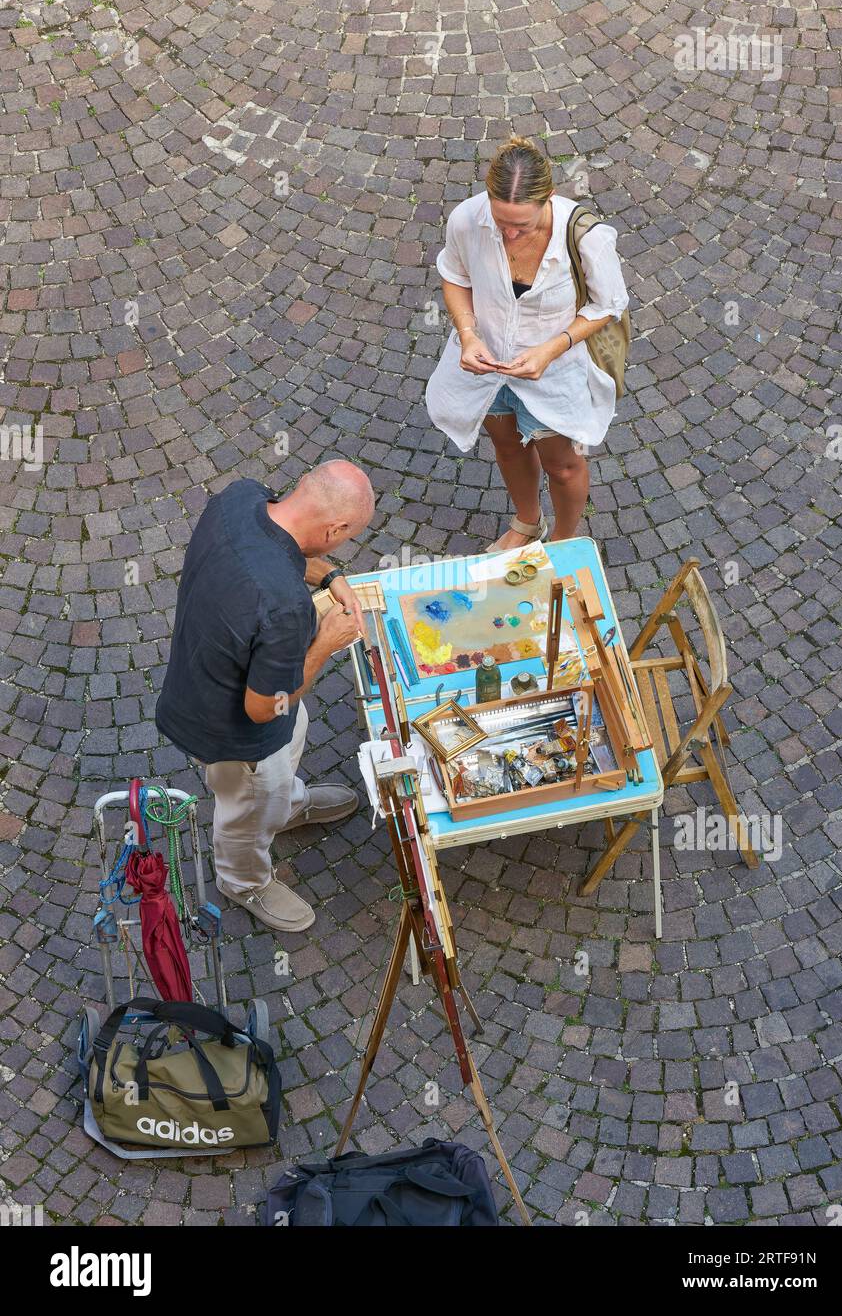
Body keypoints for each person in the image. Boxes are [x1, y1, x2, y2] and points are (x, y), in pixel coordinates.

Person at [155, 461, 375, 933]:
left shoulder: (241, 496)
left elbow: (286, 551)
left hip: (206, 671)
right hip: (235, 733)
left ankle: (288, 806)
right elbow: (262, 708)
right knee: (249, 808)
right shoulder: (283, 609)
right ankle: (243, 880)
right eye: (345, 536)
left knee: (290, 742)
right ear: (335, 528)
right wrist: (325, 645)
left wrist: (330, 576)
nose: (341, 544)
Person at [425, 135, 629, 550]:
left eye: (524, 224)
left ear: (549, 199)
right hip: (488, 364)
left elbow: (607, 305)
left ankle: (564, 541)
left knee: (564, 465)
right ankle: (526, 522)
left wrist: (550, 350)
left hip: (556, 372)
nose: (512, 235)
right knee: (507, 445)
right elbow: (456, 276)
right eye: (502, 224)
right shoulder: (466, 219)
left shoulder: (586, 237)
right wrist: (467, 336)